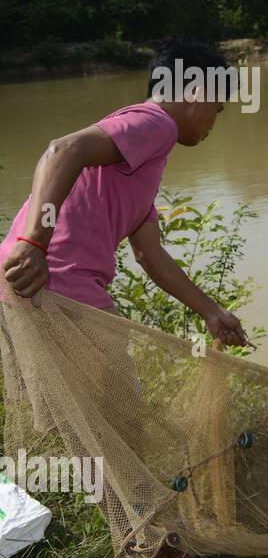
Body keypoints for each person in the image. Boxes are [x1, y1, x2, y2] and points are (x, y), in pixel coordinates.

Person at [0, 38, 246, 346]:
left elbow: (150, 254)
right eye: (218, 108)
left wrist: (210, 311)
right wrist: (34, 243)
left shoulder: (140, 160)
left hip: (31, 278)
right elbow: (62, 150)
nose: (214, 120)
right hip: (56, 282)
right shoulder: (156, 123)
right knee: (115, 392)